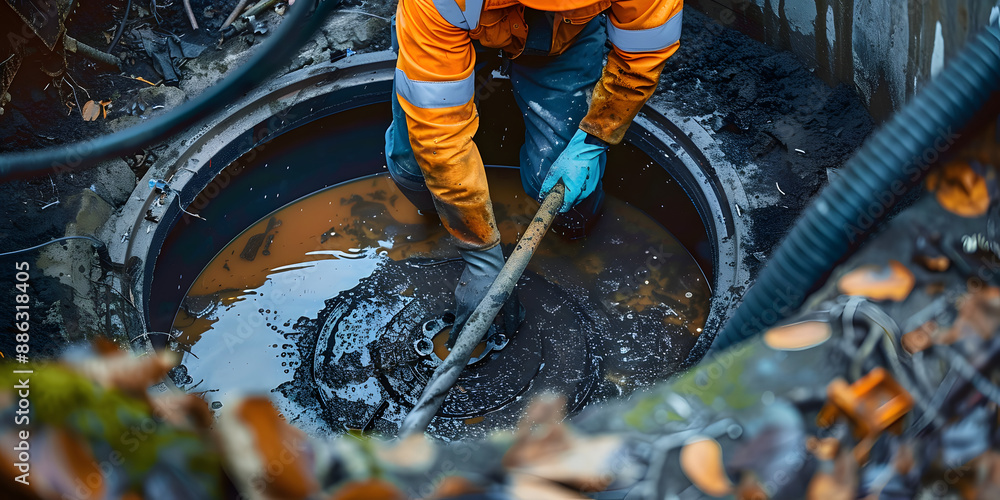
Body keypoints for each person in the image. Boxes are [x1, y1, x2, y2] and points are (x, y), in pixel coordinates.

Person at [385, 0, 683, 343]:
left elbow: (641, 57)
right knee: (415, 169)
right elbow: (439, 136)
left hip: (564, 40)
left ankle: (580, 243)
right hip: (447, 35)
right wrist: (480, 256)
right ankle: (436, 229)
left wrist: (596, 135)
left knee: (563, 192)